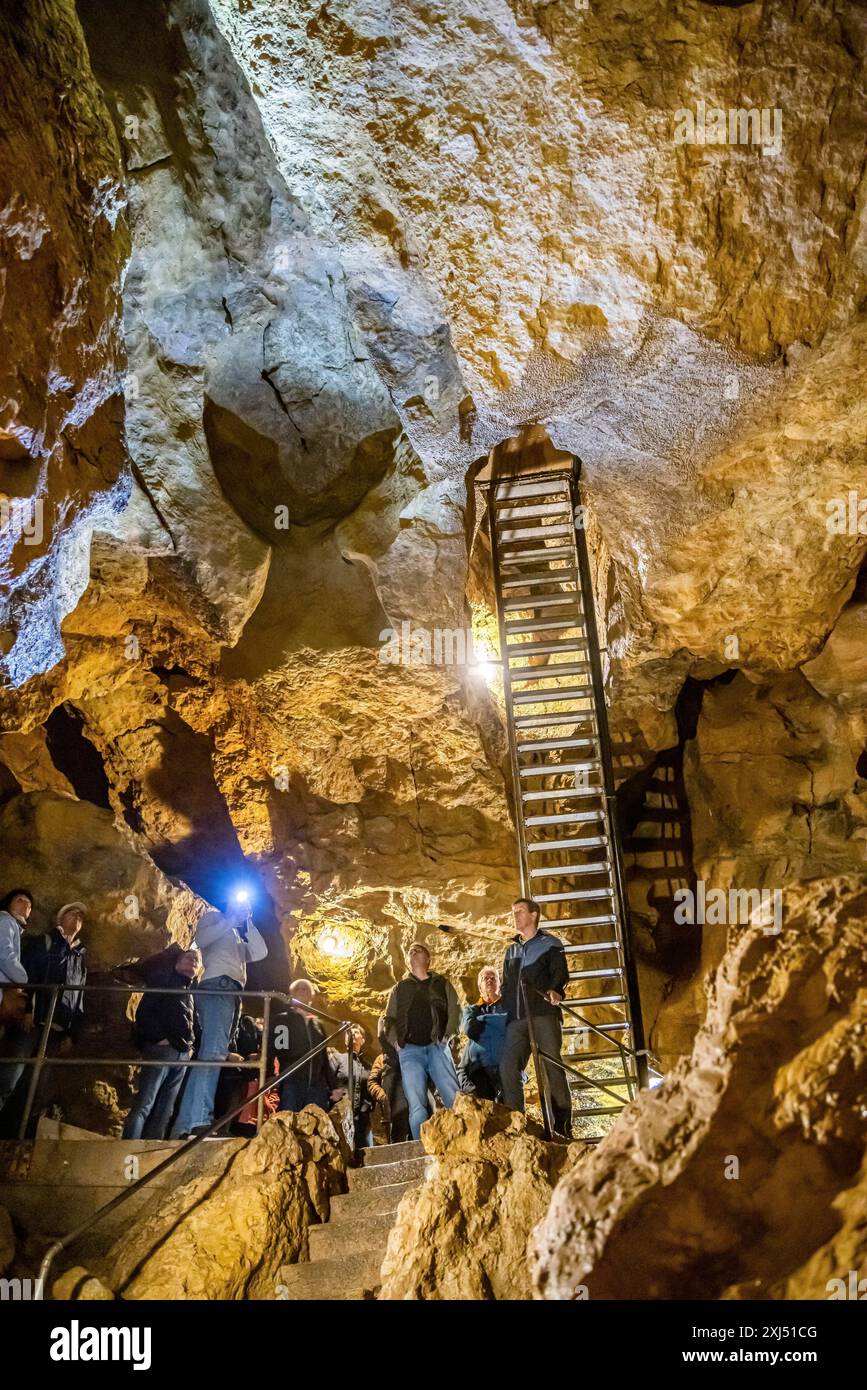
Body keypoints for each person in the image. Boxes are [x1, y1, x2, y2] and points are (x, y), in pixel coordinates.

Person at [171, 900, 268, 1139]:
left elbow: (260, 952)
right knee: (213, 1055)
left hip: (234, 993)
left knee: (211, 1055)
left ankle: (185, 1125)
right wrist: (229, 919)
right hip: (218, 986)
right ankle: (199, 1121)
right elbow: (202, 940)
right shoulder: (214, 919)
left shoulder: (235, 933)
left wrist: (246, 922)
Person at [499, 897, 572, 1138]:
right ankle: (516, 1124)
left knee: (552, 1069)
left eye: (519, 911)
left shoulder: (550, 944)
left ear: (533, 915)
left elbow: (560, 973)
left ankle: (561, 1127)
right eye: (513, 912)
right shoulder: (511, 950)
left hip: (542, 1015)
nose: (515, 916)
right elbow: (507, 984)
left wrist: (556, 991)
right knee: (508, 1066)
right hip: (517, 1020)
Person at [383, 941, 461, 1141]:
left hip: (437, 1046)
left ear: (428, 958)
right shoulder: (400, 988)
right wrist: (396, 1043)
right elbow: (388, 1018)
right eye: (410, 951)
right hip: (409, 1050)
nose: (412, 952)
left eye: (418, 950)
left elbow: (455, 1010)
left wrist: (446, 1036)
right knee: (416, 1102)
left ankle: (463, 1138)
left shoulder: (442, 984)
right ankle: (421, 1147)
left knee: (452, 1095)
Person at [122, 945, 201, 1140]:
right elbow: (144, 1013)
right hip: (162, 1051)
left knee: (166, 1109)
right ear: (176, 963)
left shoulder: (188, 993)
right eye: (188, 957)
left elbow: (191, 1024)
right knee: (145, 1104)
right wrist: (160, 1039)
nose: (193, 961)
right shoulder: (164, 983)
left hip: (181, 1054)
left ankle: (150, 1149)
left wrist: (189, 1047)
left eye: (196, 960)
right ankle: (128, 1147)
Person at [271, 979, 335, 1113]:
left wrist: (333, 1086)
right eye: (297, 989)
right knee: (289, 1123)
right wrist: (268, 1074)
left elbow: (324, 1058)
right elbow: (274, 1049)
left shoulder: (317, 1025)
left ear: (312, 995)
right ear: (291, 994)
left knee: (315, 1127)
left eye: (305, 988)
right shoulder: (282, 1020)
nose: (301, 991)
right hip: (292, 1083)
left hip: (317, 1086)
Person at [0, 888, 34, 1115]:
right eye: (19, 900)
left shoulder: (12, 926)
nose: (24, 905)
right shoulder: (4, 921)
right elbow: (4, 954)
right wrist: (24, 981)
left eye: (28, 904)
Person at [458, 965, 508, 1101]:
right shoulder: (470, 1010)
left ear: (499, 984)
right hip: (480, 1070)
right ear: (480, 987)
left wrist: (482, 1021)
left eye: (493, 978)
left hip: (506, 1067)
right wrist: (499, 1023)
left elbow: (509, 1025)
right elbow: (470, 1029)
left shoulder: (509, 1007)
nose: (489, 980)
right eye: (485, 978)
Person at [329, 1023, 375, 1149]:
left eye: (356, 1032)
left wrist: (369, 1104)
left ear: (363, 1040)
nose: (353, 1034)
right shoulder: (338, 1059)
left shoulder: (367, 1066)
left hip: (362, 1116)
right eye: (349, 1032)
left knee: (367, 1152)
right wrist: (333, 1096)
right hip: (342, 1113)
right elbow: (329, 1080)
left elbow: (372, 1087)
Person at [368, 1015, 410, 1143]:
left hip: (410, 1101)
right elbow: (372, 1082)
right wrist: (382, 1095)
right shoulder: (381, 1059)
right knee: (398, 1134)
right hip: (394, 1103)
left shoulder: (410, 1055)